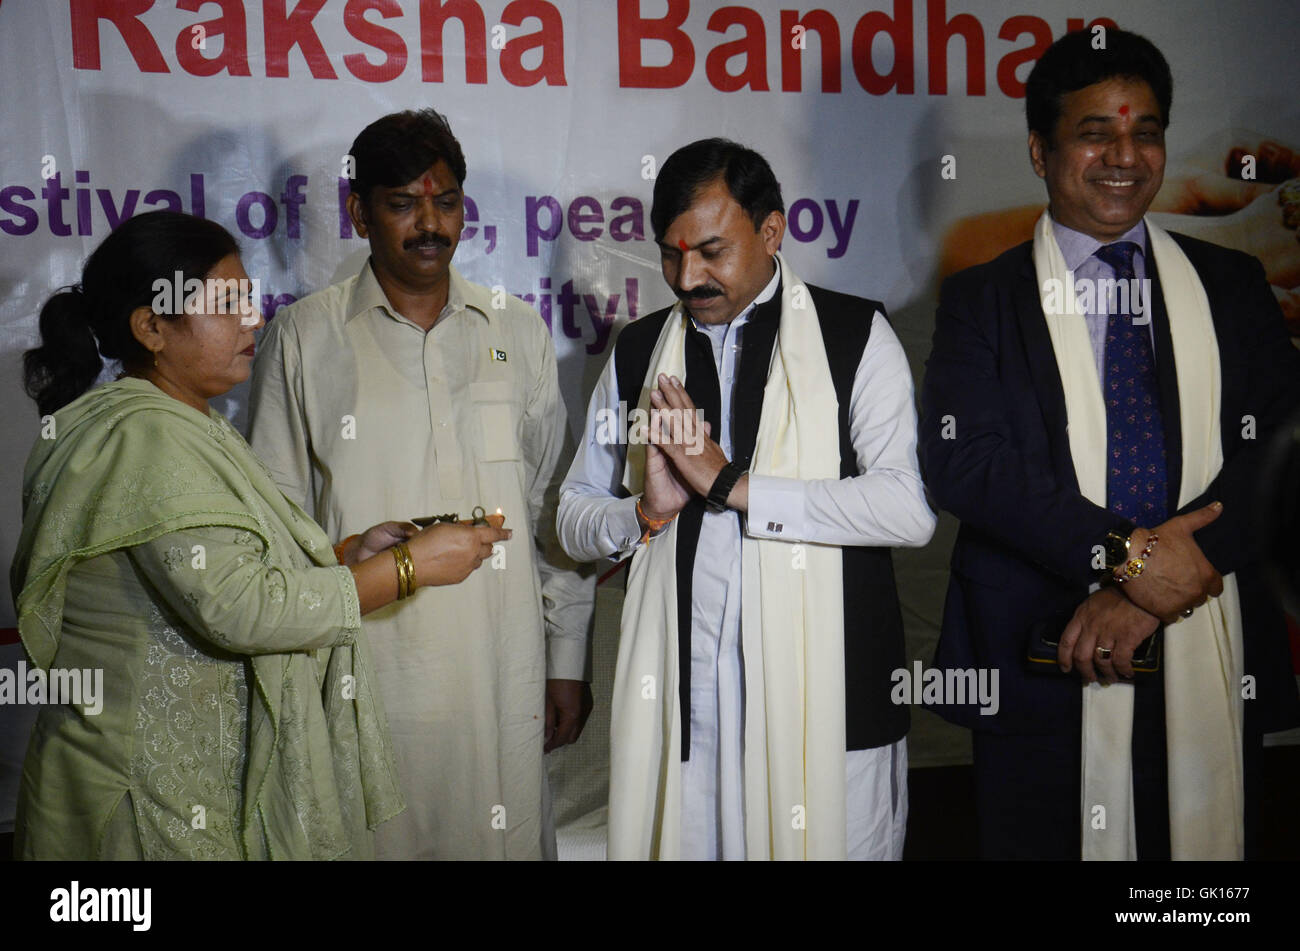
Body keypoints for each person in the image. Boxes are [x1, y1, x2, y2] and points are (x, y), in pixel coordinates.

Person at [11, 211, 508, 860]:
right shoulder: (146, 436)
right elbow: (241, 609)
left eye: (248, 299)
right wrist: (409, 568)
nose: (252, 319)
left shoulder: (187, 422)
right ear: (152, 326)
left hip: (189, 776)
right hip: (139, 791)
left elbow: (213, 570)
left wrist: (343, 556)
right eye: (226, 304)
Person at [919, 28, 1300, 860]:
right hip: (1041, 652)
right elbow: (966, 463)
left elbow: (1280, 455)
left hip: (1207, 635)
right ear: (1040, 150)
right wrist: (1128, 556)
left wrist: (1146, 587)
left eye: (1147, 131)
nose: (1125, 156)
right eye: (1095, 133)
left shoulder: (1229, 285)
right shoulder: (982, 298)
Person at [557, 139, 935, 860]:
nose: (687, 276)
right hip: (687, 716)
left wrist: (730, 485)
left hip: (831, 710)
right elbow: (573, 517)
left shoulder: (854, 333)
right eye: (670, 255)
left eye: (710, 251)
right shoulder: (640, 353)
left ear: (771, 232)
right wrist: (646, 513)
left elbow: (906, 509)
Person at [247, 109, 593, 861]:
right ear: (358, 212)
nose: (429, 224)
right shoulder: (303, 337)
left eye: (445, 202)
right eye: (402, 204)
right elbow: (278, 526)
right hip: (368, 677)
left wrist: (566, 658)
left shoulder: (517, 331)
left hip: (502, 674)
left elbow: (550, 512)